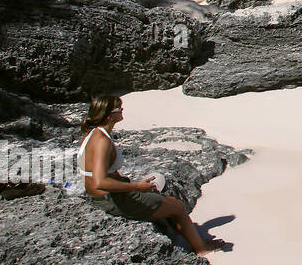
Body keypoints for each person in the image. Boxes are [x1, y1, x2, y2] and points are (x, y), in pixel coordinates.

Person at [79, 96, 228, 255]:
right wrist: (136, 186)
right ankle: (201, 248)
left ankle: (184, 237)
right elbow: (99, 182)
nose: (122, 110)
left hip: (107, 196)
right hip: (111, 200)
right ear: (109, 116)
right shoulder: (102, 140)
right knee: (178, 207)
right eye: (119, 108)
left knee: (169, 200)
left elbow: (99, 173)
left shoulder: (94, 133)